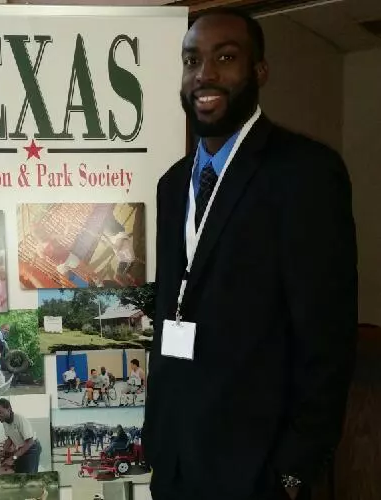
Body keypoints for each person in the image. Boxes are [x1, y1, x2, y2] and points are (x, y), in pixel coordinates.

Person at [143, 8, 357, 500]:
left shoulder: (305, 175)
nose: (205, 75)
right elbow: (171, 308)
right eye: (192, 59)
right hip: (175, 462)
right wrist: (159, 443)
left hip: (254, 471)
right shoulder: (173, 185)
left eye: (226, 57)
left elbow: (327, 337)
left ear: (259, 71)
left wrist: (293, 471)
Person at [0, 398, 42, 473]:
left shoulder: (19, 419)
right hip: (21, 448)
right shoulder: (4, 421)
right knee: (19, 471)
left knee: (29, 476)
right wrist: (2, 452)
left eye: (0, 412)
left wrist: (13, 458)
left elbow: (30, 442)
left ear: (9, 409)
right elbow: (9, 438)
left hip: (32, 448)